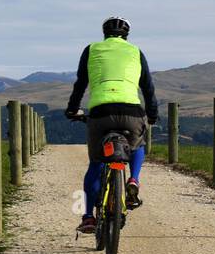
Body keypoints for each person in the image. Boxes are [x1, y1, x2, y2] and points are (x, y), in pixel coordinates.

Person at [64, 17, 158, 233]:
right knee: (138, 145)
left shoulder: (91, 50)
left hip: (101, 113)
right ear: (126, 35)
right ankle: (133, 179)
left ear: (104, 33)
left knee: (96, 164)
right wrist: (152, 114)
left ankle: (88, 217)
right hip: (131, 112)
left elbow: (81, 83)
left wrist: (72, 109)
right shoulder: (136, 51)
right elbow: (148, 87)